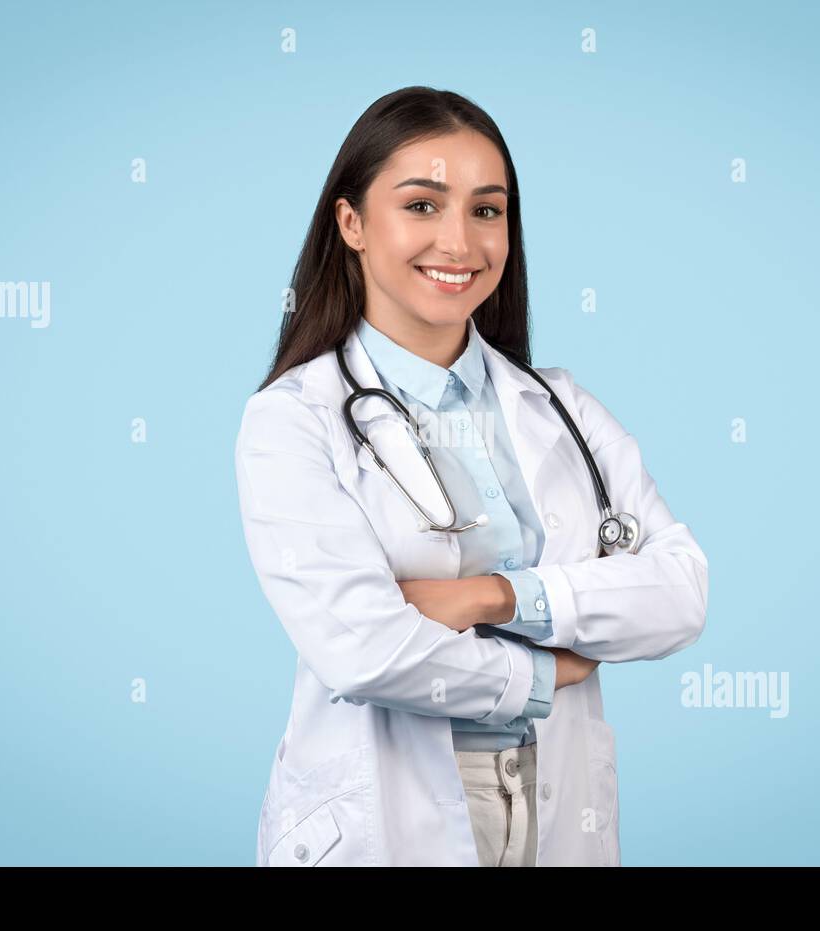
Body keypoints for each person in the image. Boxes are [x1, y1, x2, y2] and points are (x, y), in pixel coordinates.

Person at [235, 86, 709, 866]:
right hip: (389, 810)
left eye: (487, 211)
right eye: (422, 205)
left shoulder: (563, 406)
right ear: (351, 223)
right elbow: (364, 651)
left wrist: (497, 596)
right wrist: (546, 672)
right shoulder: (294, 418)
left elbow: (680, 593)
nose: (459, 242)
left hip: (558, 796)